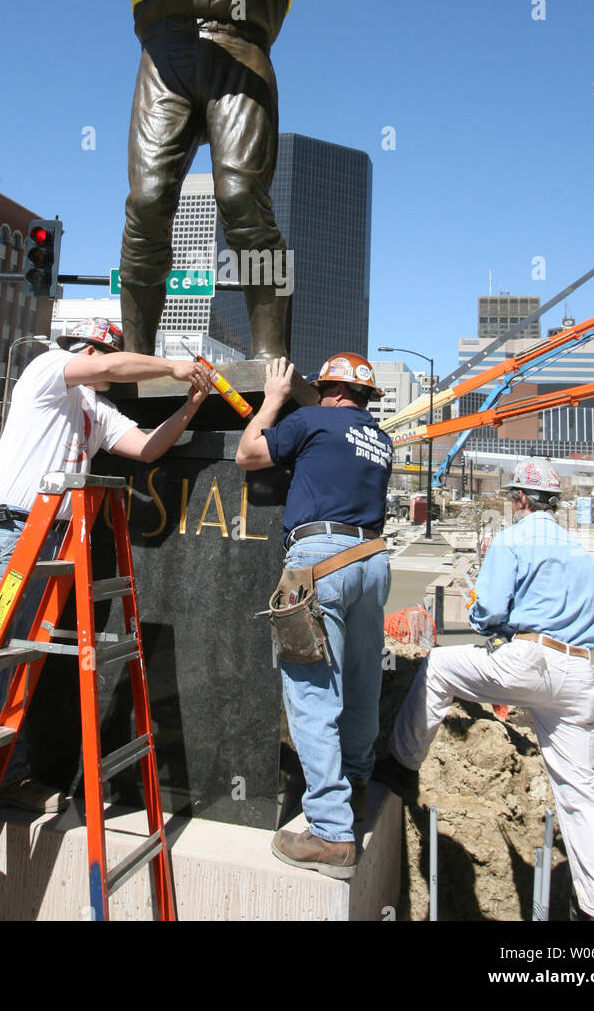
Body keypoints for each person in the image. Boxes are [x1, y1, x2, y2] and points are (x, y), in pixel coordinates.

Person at [94, 0, 420, 358]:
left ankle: (271, 362)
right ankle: (137, 362)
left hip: (240, 54)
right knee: (146, 202)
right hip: (164, 56)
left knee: (243, 197)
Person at [0, 317, 211, 842]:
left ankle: (3, 777)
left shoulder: (93, 409)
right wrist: (173, 366)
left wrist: (190, 404)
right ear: (86, 350)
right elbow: (100, 366)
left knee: (17, 662)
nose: (107, 368)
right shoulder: (49, 369)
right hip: (9, 537)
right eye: (103, 356)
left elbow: (146, 449)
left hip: (47, 543)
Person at [382, 457, 594, 921]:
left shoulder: (513, 540)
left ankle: (401, 764)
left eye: (512, 499)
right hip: (575, 674)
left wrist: (481, 614)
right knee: (579, 791)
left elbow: (488, 614)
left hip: (528, 660)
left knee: (440, 667)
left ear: (520, 499)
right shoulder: (579, 550)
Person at [236, 353, 393, 878]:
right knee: (362, 682)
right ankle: (357, 785)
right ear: (366, 397)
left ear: (326, 389)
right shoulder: (379, 439)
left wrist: (275, 400)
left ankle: (329, 832)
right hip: (370, 561)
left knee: (311, 693)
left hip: (319, 563)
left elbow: (247, 455)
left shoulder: (311, 419)